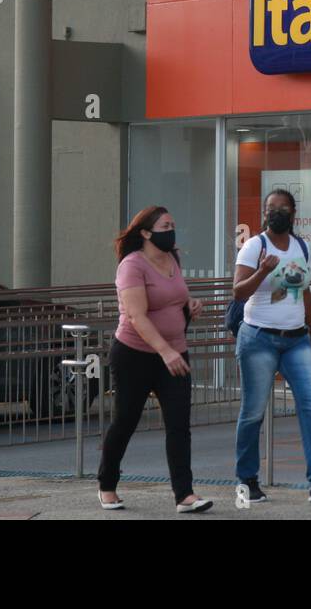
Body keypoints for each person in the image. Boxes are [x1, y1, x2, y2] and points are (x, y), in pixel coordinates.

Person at [232, 189, 311, 503]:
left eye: (283, 207)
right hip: (259, 337)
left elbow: (303, 292)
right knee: (253, 412)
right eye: (271, 207)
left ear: (293, 213)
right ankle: (247, 480)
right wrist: (262, 270)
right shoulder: (253, 246)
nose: (277, 212)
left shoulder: (301, 246)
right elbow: (238, 292)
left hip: (296, 338)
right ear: (263, 213)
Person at [97, 205, 212, 514]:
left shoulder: (173, 257)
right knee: (126, 420)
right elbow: (136, 315)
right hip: (135, 355)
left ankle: (185, 495)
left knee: (179, 424)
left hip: (175, 351)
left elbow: (173, 296)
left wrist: (190, 305)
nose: (171, 230)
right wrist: (165, 351)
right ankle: (107, 484)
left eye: (173, 224)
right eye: (165, 226)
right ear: (146, 233)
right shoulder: (132, 265)